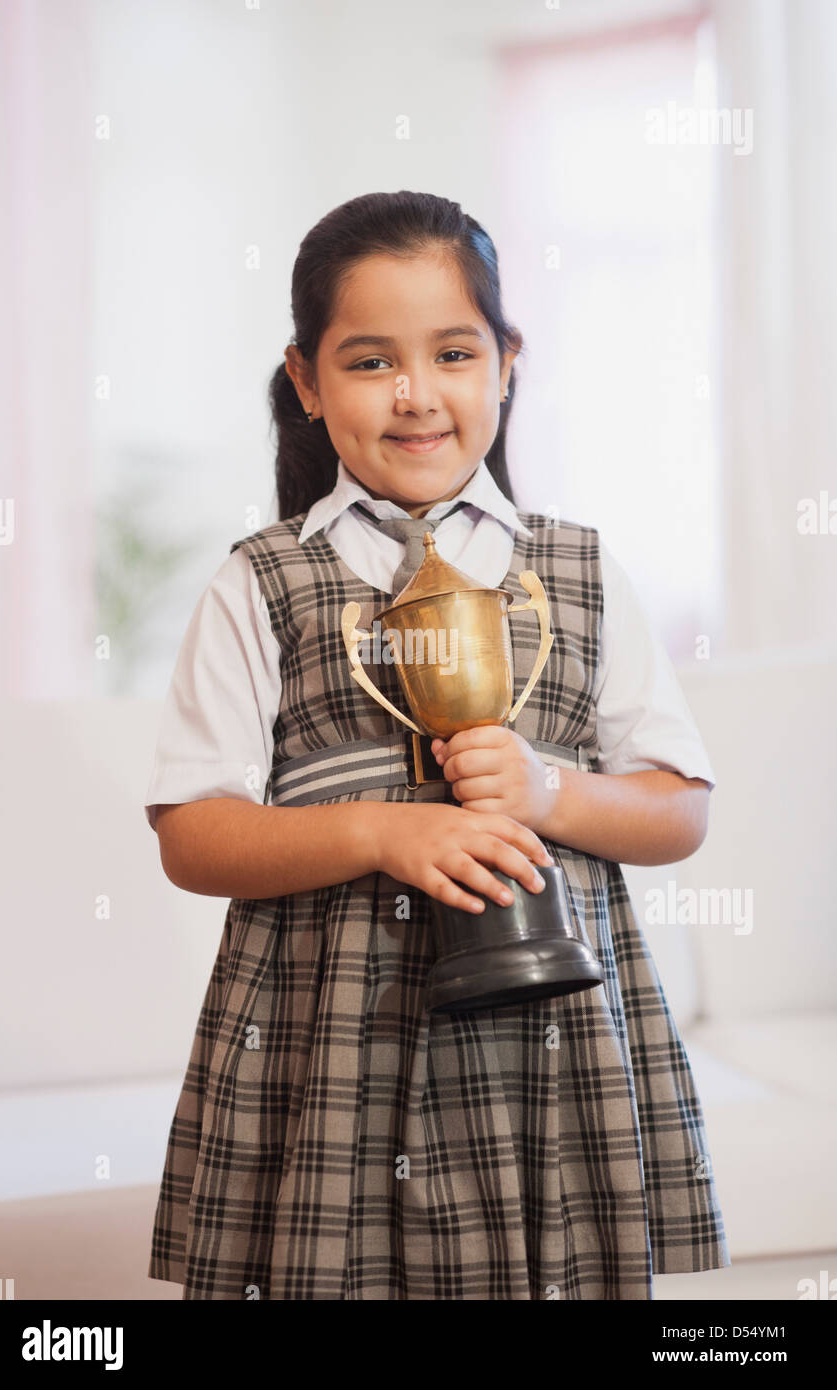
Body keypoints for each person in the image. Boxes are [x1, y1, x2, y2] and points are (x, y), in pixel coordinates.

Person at [145, 189, 730, 1300]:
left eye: (453, 352)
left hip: (546, 1042)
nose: (416, 395)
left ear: (505, 364)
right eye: (370, 363)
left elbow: (678, 809)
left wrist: (550, 792)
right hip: (329, 1047)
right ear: (308, 381)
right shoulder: (260, 581)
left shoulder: (582, 569)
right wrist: (378, 829)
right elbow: (193, 836)